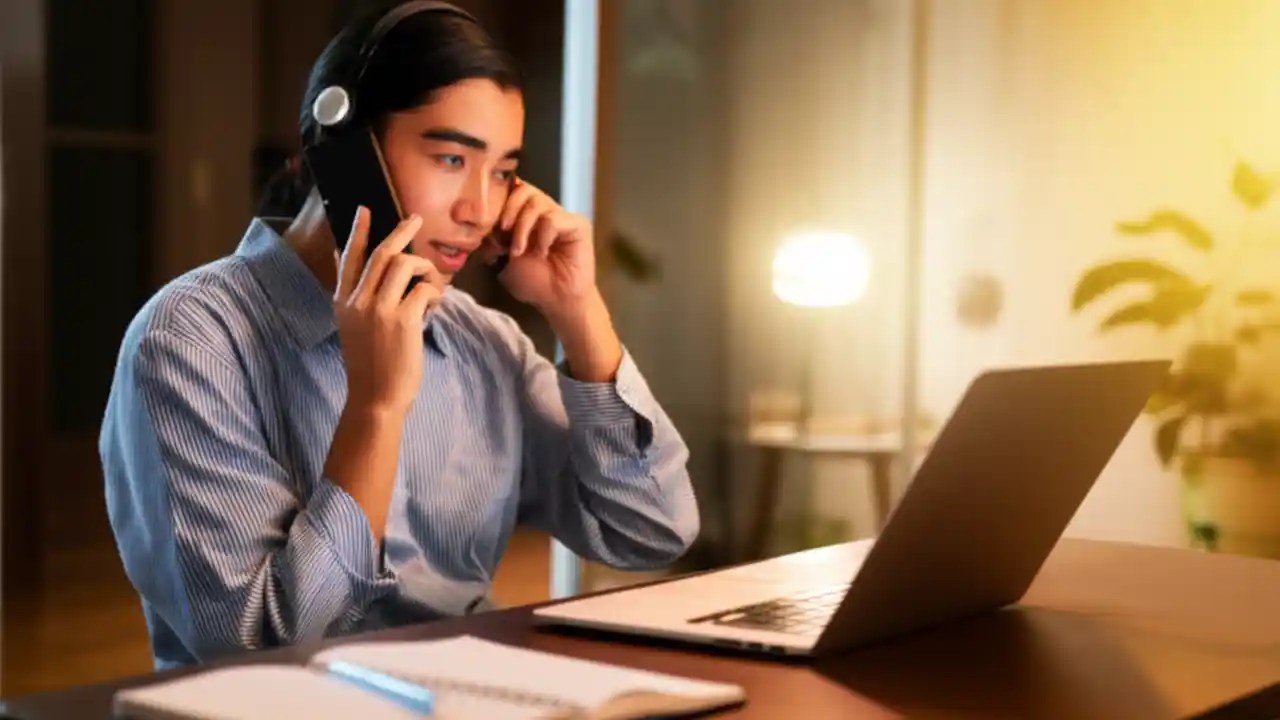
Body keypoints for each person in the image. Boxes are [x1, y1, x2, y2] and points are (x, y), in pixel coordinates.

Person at [99, 0, 699, 669]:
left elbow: (652, 530)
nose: (479, 211)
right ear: (343, 150)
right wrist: (376, 408)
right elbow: (260, 648)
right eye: (449, 159)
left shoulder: (483, 343)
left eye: (502, 172)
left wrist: (578, 313)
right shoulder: (190, 341)